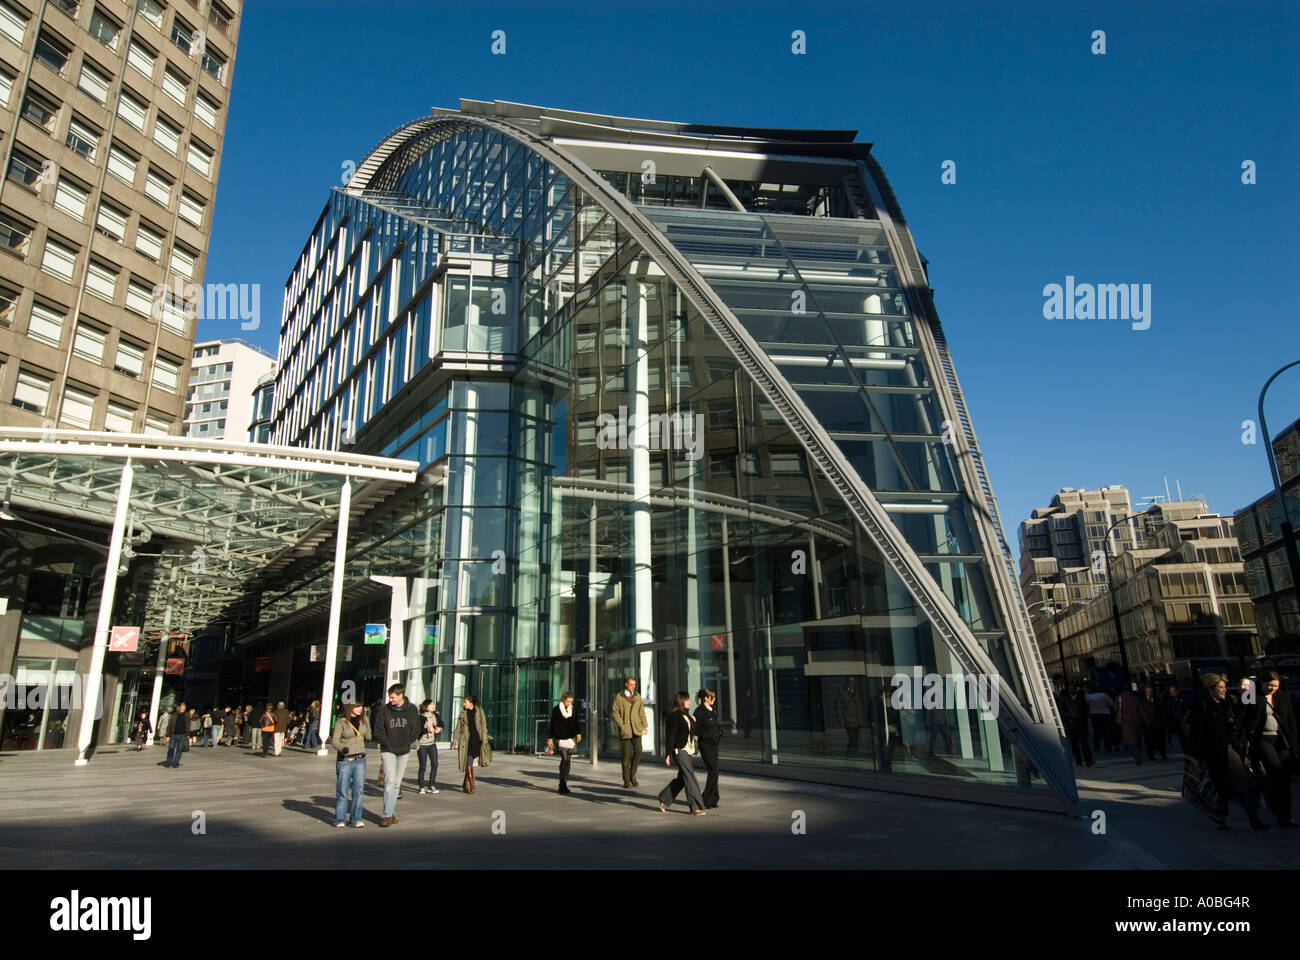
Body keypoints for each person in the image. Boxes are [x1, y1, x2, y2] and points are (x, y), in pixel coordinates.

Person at [1188, 672, 1267, 831]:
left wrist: (1248, 691)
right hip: (1213, 753)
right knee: (1218, 787)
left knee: (1242, 784)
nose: (1225, 690)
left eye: (1225, 687)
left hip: (1230, 749)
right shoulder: (1201, 705)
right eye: (1221, 687)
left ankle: (1254, 819)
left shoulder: (1228, 703)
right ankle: (1220, 819)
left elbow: (1246, 712)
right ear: (1211, 689)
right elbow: (1195, 731)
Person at [1243, 669, 1297, 829]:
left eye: (1275, 685)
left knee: (1284, 778)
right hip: (1263, 739)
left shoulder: (1283, 697)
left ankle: (1285, 815)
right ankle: (1275, 807)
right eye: (1269, 685)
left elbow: (1291, 721)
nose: (1272, 688)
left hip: (1281, 739)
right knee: (1275, 771)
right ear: (1262, 683)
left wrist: (1294, 744)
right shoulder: (1253, 695)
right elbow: (1243, 713)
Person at [372, 683, 422, 826]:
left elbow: (415, 728)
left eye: (393, 697)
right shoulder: (384, 710)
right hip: (388, 750)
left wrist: (407, 742)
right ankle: (387, 815)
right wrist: (387, 743)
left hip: (404, 751)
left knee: (396, 784)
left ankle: (391, 812)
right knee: (389, 782)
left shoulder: (412, 709)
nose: (391, 700)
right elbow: (378, 729)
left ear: (401, 696)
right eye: (390, 697)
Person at [658, 692, 706, 815]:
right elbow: (671, 735)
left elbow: (695, 731)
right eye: (687, 700)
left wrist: (695, 722)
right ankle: (695, 806)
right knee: (690, 776)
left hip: (688, 750)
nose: (689, 702)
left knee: (683, 778)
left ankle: (664, 798)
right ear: (681, 701)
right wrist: (668, 753)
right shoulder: (675, 715)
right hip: (679, 750)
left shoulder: (687, 716)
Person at [331, 701, 370, 828]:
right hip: (345, 760)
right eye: (357, 706)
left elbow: (369, 736)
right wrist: (343, 748)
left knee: (358, 790)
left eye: (361, 706)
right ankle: (340, 819)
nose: (360, 709)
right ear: (350, 708)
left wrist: (368, 722)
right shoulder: (341, 722)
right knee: (342, 791)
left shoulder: (364, 720)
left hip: (360, 759)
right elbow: (335, 741)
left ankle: (356, 819)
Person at [611, 677, 647, 789]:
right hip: (626, 729)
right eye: (631, 684)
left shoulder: (637, 696)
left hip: (636, 728)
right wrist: (622, 724)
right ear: (626, 684)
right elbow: (615, 712)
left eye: (634, 685)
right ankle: (626, 780)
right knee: (625, 756)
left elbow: (641, 711)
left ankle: (632, 774)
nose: (633, 687)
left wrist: (644, 725)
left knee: (638, 751)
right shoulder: (619, 697)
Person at [453, 694, 491, 793]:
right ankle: (472, 784)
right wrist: (454, 740)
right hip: (466, 741)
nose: (464, 703)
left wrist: (484, 737)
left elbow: (483, 724)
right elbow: (458, 728)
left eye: (465, 702)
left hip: (477, 740)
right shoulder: (463, 713)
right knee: (468, 761)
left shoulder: (479, 711)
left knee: (470, 762)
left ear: (471, 702)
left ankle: (465, 783)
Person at [547, 691, 582, 794]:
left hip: (570, 738)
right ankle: (561, 783)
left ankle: (565, 782)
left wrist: (578, 733)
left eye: (570, 702)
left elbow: (576, 722)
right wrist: (550, 738)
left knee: (568, 760)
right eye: (567, 702)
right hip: (560, 737)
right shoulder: (556, 710)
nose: (569, 704)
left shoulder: (573, 709)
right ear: (564, 700)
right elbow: (552, 724)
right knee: (564, 759)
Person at [693, 688, 723, 808]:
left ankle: (714, 798)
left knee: (714, 772)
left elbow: (715, 725)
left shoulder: (713, 710)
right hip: (705, 745)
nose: (714, 700)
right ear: (706, 698)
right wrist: (705, 735)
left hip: (714, 744)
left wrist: (720, 733)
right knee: (713, 771)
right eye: (712, 698)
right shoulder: (699, 711)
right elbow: (695, 728)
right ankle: (704, 800)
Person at [416, 699, 442, 795]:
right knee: (422, 766)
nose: (433, 706)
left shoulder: (436, 716)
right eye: (431, 704)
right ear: (426, 707)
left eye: (433, 704)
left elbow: (441, 724)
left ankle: (431, 785)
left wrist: (439, 729)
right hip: (422, 744)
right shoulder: (421, 717)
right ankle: (421, 786)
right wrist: (426, 729)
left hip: (432, 744)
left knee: (435, 764)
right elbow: (417, 731)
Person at [835, 678, 865, 757]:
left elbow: (860, 705)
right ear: (847, 682)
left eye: (853, 681)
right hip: (848, 721)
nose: (852, 683)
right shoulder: (842, 692)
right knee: (853, 739)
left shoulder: (857, 692)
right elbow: (839, 708)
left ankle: (853, 754)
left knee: (855, 739)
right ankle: (851, 755)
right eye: (850, 681)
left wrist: (861, 720)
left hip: (857, 721)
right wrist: (842, 722)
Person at [1085, 685, 1116, 753]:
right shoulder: (1104, 695)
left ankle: (1097, 747)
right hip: (1105, 714)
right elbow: (1111, 703)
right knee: (1106, 731)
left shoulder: (1088, 696)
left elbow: (1087, 704)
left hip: (1094, 715)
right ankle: (1108, 747)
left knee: (1096, 731)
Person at [1140, 685, 1167, 761]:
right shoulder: (1142, 701)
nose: (1149, 693)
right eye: (1147, 692)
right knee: (1149, 741)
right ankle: (1151, 755)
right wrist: (1146, 720)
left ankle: (1163, 754)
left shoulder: (1158, 699)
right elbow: (1141, 712)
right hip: (1147, 725)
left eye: (1150, 691)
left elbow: (1162, 711)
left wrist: (1164, 721)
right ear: (1145, 692)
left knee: (1161, 740)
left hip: (1158, 723)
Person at [1117, 687, 1144, 765]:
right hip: (1136, 721)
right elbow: (1141, 710)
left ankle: (1136, 755)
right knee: (1136, 738)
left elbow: (1116, 709)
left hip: (1126, 722)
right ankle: (1137, 755)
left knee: (1130, 740)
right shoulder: (1136, 698)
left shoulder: (1119, 698)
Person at [165, 702, 189, 768]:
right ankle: (169, 761)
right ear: (179, 708)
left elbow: (188, 725)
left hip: (182, 735)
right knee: (171, 748)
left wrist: (188, 735)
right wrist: (167, 735)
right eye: (181, 708)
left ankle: (175, 763)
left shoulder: (187, 715)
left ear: (185, 708)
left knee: (179, 749)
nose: (182, 710)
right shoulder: (174, 714)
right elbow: (169, 724)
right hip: (173, 734)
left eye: (183, 708)